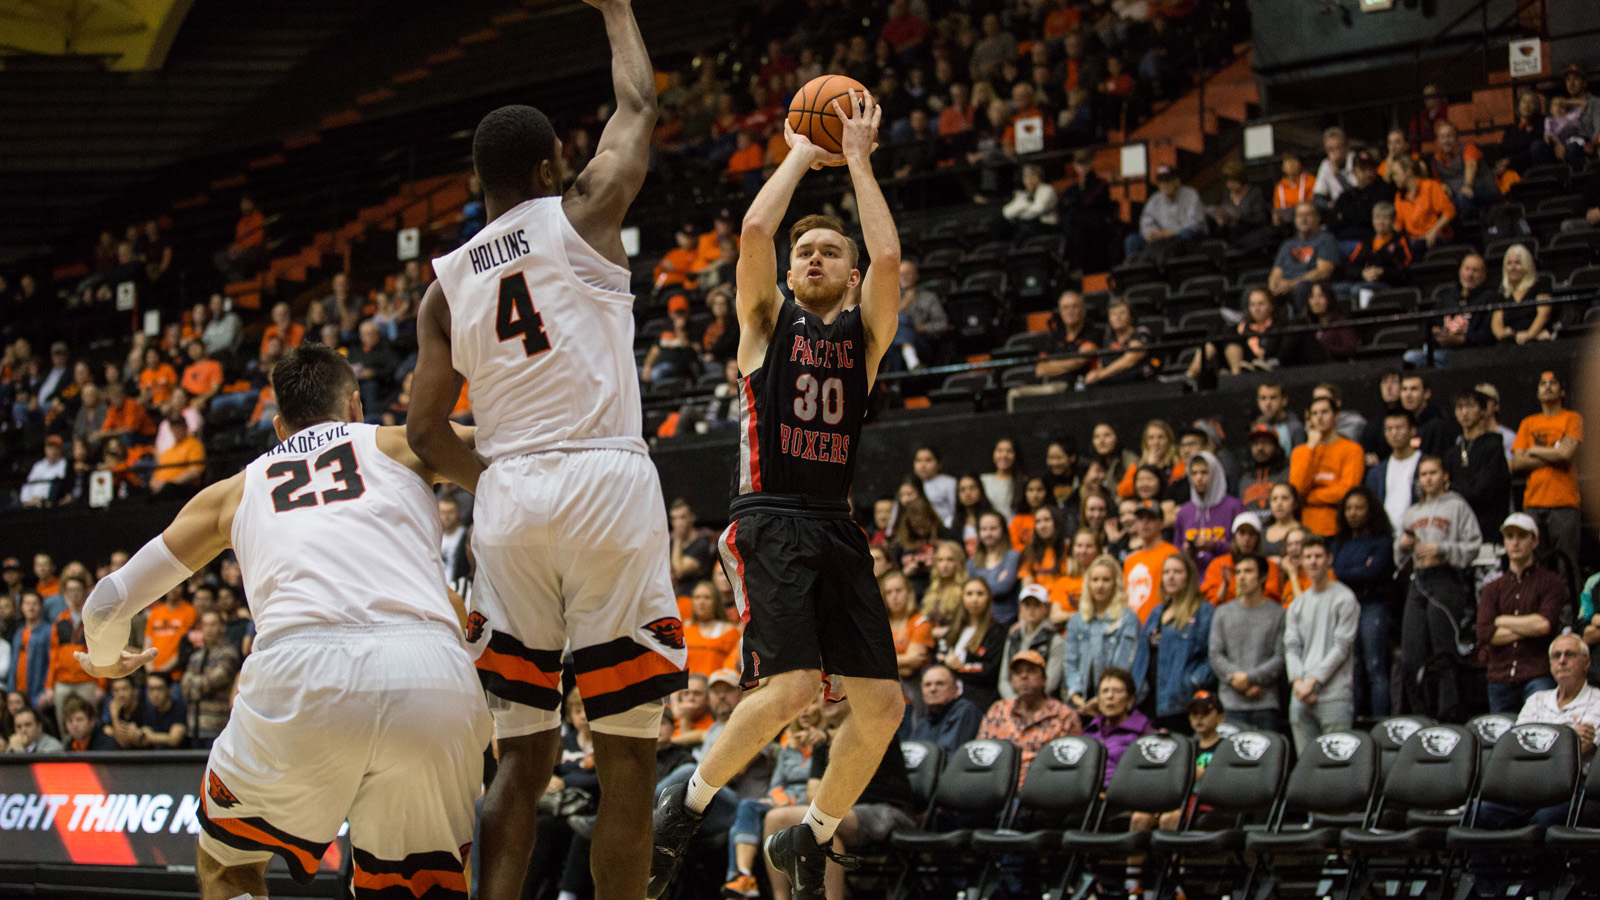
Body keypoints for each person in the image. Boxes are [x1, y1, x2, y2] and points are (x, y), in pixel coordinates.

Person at [411, 10, 696, 899]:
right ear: (547, 168)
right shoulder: (585, 211)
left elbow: (423, 436)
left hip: (508, 502)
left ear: (475, 180)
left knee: (522, 759)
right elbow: (640, 104)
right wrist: (615, 8)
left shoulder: (445, 283)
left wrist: (493, 475)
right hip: (606, 482)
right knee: (626, 758)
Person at [74, 345, 489, 899]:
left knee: (229, 866)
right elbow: (518, 443)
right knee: (419, 887)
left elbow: (104, 603)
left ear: (277, 426)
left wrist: (105, 662)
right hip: (432, 672)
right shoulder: (402, 443)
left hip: (303, 673)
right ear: (355, 405)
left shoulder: (235, 491)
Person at [652, 87, 905, 900]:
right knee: (793, 690)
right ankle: (687, 801)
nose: (817, 259)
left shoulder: (864, 337)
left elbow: (891, 262)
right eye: (809, 254)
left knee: (885, 707)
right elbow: (758, 230)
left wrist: (860, 164)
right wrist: (803, 147)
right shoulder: (763, 326)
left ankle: (815, 834)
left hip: (836, 525)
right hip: (769, 520)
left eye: (831, 251)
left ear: (850, 271)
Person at [1471, 634, 1600, 832]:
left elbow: (1582, 749)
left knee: (1544, 821)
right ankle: (1487, 866)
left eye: (1569, 655)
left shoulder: (1597, 701)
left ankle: (1534, 864)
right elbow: (1519, 751)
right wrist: (1569, 736)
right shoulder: (1536, 700)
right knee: (1480, 815)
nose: (1562, 661)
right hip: (1528, 784)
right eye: (1556, 656)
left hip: (1573, 788)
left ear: (1586, 662)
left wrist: (1539, 743)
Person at [1396, 456, 1483, 722]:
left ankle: (1448, 717)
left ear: (1444, 476)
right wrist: (1402, 545)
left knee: (1444, 653)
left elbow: (1474, 546)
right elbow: (1398, 561)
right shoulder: (1411, 513)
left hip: (1446, 578)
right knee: (1410, 656)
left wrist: (1443, 549)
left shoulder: (1457, 506)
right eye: (1423, 474)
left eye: (1433, 473)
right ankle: (1419, 716)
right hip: (1418, 580)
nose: (1428, 478)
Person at [1476, 514, 1564, 714]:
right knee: (1500, 739)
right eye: (1509, 536)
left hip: (1537, 673)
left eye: (1522, 536)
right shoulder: (1492, 588)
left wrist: (1502, 620)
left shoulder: (1550, 582)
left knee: (1540, 733)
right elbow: (1484, 633)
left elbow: (1544, 625)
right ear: (1504, 543)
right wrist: (1528, 626)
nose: (1515, 542)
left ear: (1535, 541)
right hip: (1499, 676)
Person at [1283, 535, 1359, 755]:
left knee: (1337, 768)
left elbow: (1341, 648)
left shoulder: (1344, 598)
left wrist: (1312, 683)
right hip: (1300, 696)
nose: (1313, 561)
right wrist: (1298, 682)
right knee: (1306, 768)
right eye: (1308, 557)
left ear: (1329, 560)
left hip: (1334, 696)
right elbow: (1291, 645)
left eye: (1318, 556)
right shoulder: (1297, 604)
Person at [1132, 554, 1216, 734]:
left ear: (1189, 577)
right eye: (1166, 572)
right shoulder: (1156, 612)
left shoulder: (1203, 611)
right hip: (1149, 699)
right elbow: (1142, 654)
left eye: (1177, 572)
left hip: (1181, 701)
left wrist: (1193, 682)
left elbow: (1211, 655)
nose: (1170, 576)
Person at [1333, 486, 1396, 719]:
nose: (1353, 513)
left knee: (1375, 666)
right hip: (1346, 610)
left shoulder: (1382, 542)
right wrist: (1358, 570)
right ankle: (1356, 719)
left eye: (1359, 507)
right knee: (1353, 668)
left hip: (1373, 606)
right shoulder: (1340, 543)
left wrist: (1344, 573)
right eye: (1349, 508)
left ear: (1370, 510)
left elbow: (1373, 572)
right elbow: (1338, 571)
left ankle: (1379, 720)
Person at [977, 649, 1082, 787]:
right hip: (995, 788)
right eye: (1018, 672)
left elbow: (1071, 765)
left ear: (1044, 679)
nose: (1024, 676)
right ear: (1011, 680)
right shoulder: (998, 710)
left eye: (1031, 671)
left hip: (1043, 791)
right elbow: (980, 753)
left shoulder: (1064, 715)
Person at [1511, 371, 1583, 570]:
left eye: (1553, 383)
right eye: (1543, 383)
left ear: (1562, 392)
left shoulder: (1572, 418)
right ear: (1537, 393)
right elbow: (1517, 462)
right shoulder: (1528, 423)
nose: (1548, 386)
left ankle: (1570, 603)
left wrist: (1533, 450)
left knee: (1566, 564)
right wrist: (1554, 453)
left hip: (1564, 503)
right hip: (1533, 503)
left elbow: (1566, 455)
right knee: (1535, 566)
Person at [1207, 555, 1285, 732]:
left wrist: (1250, 679)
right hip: (1230, 703)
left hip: (1265, 702)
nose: (1241, 577)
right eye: (1238, 572)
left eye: (1248, 571)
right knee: (1231, 759)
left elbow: (1280, 657)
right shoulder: (1222, 613)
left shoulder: (1278, 614)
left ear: (1263, 577)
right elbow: (1215, 654)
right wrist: (1238, 680)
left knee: (1267, 759)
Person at [1063, 556, 1141, 716]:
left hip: (1114, 702)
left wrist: (1102, 699)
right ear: (1088, 584)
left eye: (1106, 580)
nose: (1100, 585)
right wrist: (1076, 696)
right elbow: (1070, 662)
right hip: (1080, 703)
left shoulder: (1128, 619)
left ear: (1116, 584)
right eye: (1095, 580)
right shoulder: (1076, 621)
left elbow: (1123, 666)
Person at [1288, 394, 1365, 537]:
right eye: (1314, 413)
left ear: (1336, 416)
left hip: (1340, 529)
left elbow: (1347, 491)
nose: (1319, 417)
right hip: (1307, 531)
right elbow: (1296, 491)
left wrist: (1310, 497)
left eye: (1324, 412)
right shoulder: (1300, 452)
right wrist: (1310, 448)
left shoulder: (1353, 450)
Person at [1445, 387, 1511, 545]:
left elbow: (1483, 490)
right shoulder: (1452, 453)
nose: (1464, 412)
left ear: (1482, 410)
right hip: (1459, 531)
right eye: (1460, 407)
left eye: (1470, 406)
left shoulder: (1494, 445)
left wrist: (1451, 487)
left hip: (1489, 528)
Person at [938, 578, 1009, 712]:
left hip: (979, 701)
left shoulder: (997, 631)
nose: (974, 599)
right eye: (969, 594)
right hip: (950, 701)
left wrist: (959, 668)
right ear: (962, 597)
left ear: (988, 598)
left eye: (980, 594)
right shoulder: (953, 630)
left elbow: (991, 670)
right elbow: (940, 659)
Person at [1174, 451, 1245, 572]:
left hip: (1225, 576)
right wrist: (1186, 550)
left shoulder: (1234, 507)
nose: (1199, 478)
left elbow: (1244, 548)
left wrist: (1214, 546)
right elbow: (1176, 551)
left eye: (1204, 472)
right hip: (1193, 580)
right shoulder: (1184, 512)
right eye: (1194, 473)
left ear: (1215, 473)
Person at [1082, 669, 1150, 787]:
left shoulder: (1144, 730)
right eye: (1104, 691)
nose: (1110, 696)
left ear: (1130, 699)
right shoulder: (1089, 731)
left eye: (1117, 691)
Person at [1124, 165, 1205, 262]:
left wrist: (1173, 232)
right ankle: (1137, 274)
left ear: (1177, 181)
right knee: (1132, 240)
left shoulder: (1191, 195)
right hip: (1161, 238)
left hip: (1181, 236)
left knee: (1186, 234)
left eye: (1167, 180)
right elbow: (1145, 224)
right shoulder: (1154, 199)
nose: (1164, 184)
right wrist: (1152, 233)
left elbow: (1196, 224)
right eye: (1161, 181)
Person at [1201, 513, 1285, 605]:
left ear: (1258, 538)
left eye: (1251, 533)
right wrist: (1225, 586)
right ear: (1234, 536)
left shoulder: (1269, 567)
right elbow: (1209, 604)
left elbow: (1272, 601)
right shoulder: (1218, 565)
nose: (1247, 538)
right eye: (1242, 532)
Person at [1000, 585, 1065, 700]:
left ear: (1046, 608)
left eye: (1037, 605)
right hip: (1013, 702)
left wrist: (1027, 702)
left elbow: (1050, 683)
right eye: (1027, 605)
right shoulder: (1013, 636)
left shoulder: (1055, 640)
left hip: (1043, 702)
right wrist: (1014, 701)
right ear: (1021, 608)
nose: (1031, 609)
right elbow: (1003, 679)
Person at [1267, 203, 1339, 308]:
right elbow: (1276, 272)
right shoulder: (1287, 244)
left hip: (1308, 286)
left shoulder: (1326, 239)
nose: (1303, 219)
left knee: (1302, 288)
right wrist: (1273, 286)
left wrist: (1291, 284)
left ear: (1317, 218)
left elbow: (1323, 272)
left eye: (1308, 215)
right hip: (1285, 287)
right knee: (1258, 294)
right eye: (1299, 216)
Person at [906, 663, 983, 753]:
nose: (933, 689)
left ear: (955, 690)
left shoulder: (966, 711)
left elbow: (948, 755)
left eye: (940, 684)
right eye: (927, 685)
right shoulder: (923, 722)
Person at [1365, 409, 1421, 533]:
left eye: (1399, 428)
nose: (1394, 433)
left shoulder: (1425, 465)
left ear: (1412, 430)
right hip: (1385, 538)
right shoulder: (1377, 472)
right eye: (1389, 429)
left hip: (1417, 535)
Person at [1123, 506, 1179, 623]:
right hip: (1131, 625)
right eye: (1140, 519)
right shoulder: (1130, 559)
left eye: (1151, 518)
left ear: (1161, 523)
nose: (1145, 523)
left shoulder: (1171, 553)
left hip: (1158, 622)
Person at [1489, 245, 1552, 345]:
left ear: (1527, 265)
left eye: (1517, 263)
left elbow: (1544, 314)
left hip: (1536, 338)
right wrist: (1502, 334)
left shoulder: (1540, 286)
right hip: (1511, 342)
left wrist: (1529, 335)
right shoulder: (1502, 294)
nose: (1513, 268)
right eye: (1509, 263)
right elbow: (1496, 323)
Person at [1033, 291, 1099, 383]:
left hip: (1080, 386)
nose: (1070, 311)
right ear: (1060, 312)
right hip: (1052, 386)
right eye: (1065, 308)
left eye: (1074, 306)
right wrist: (1069, 364)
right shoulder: (1055, 336)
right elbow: (1040, 370)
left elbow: (1079, 361)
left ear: (1083, 310)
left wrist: (1051, 366)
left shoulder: (1092, 332)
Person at [968, 511, 1021, 622]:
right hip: (980, 621)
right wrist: (996, 582)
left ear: (1003, 530)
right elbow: (968, 593)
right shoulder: (972, 562)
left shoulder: (1012, 556)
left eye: (993, 529)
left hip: (1007, 619)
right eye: (984, 529)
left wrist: (980, 590)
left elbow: (1003, 587)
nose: (988, 534)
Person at [684, 580, 741, 677]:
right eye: (697, 597)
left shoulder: (730, 631)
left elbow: (734, 665)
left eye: (707, 598)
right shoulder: (683, 629)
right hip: (687, 688)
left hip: (717, 687)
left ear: (716, 602)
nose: (701, 602)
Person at [914, 447, 959, 530]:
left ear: (939, 464)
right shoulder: (911, 485)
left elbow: (955, 510)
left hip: (945, 528)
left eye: (928, 460)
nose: (922, 465)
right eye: (918, 460)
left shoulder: (949, 483)